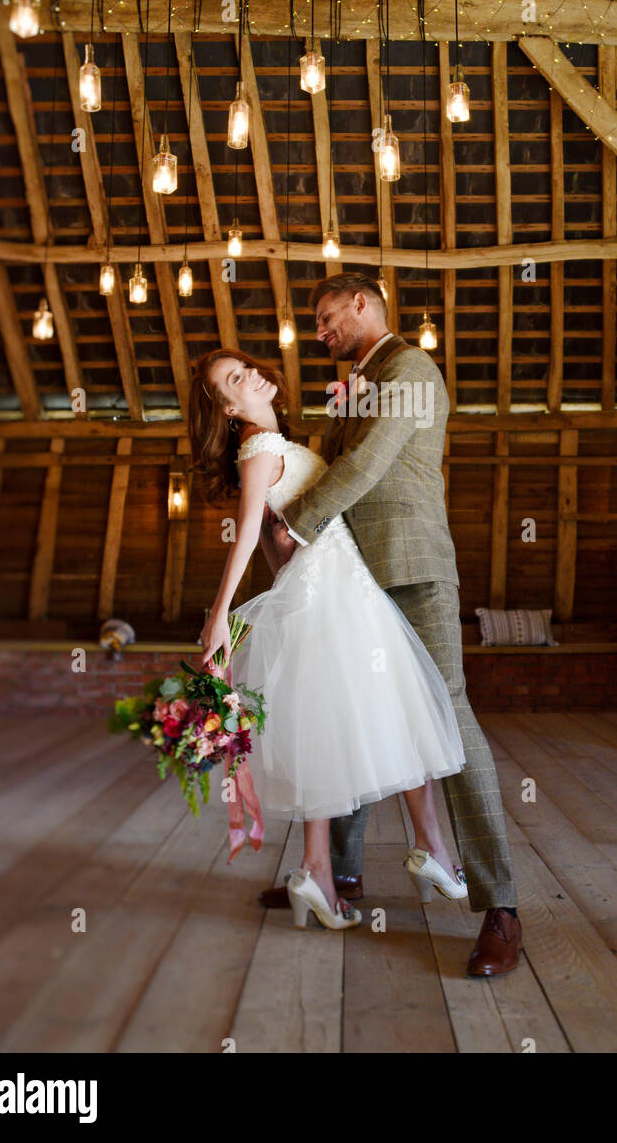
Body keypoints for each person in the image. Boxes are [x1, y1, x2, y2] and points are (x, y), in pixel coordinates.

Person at [259, 272, 522, 976]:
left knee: (450, 719)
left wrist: (293, 526)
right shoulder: (355, 382)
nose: (319, 334)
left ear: (362, 303)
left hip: (411, 571)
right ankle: (339, 876)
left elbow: (368, 464)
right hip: (353, 577)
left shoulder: (410, 367)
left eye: (324, 319)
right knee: (348, 714)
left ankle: (499, 905)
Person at [190, 345, 468, 934]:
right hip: (337, 597)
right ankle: (431, 848)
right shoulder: (259, 450)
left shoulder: (275, 443)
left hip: (332, 591)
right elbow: (244, 541)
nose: (254, 374)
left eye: (249, 365)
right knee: (391, 710)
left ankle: (317, 871)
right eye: (237, 378)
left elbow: (274, 543)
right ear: (226, 406)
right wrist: (221, 616)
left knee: (339, 728)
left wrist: (287, 579)